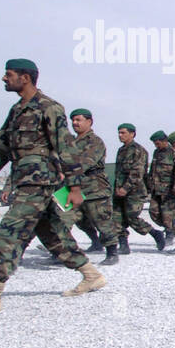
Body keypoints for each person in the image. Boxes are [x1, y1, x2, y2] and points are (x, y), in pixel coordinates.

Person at [0, 60, 106, 315]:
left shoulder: (49, 107)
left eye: (9, 74)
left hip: (40, 182)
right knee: (52, 232)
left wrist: (75, 188)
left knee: (8, 232)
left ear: (25, 78)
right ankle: (91, 274)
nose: (4, 78)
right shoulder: (16, 111)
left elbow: (65, 148)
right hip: (25, 180)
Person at [68, 108, 121, 266]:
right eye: (73, 120)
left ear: (89, 122)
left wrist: (65, 170)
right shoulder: (71, 142)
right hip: (72, 185)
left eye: (78, 120)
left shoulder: (95, 141)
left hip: (94, 186)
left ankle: (112, 252)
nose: (74, 123)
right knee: (59, 217)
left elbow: (85, 162)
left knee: (102, 220)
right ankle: (62, 252)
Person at [112, 123, 162, 253]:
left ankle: (156, 233)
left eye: (123, 133)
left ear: (132, 134)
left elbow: (137, 173)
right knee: (117, 218)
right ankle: (123, 245)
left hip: (134, 191)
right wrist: (118, 189)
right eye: (119, 133)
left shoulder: (139, 150)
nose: (120, 135)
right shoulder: (121, 150)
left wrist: (125, 188)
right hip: (119, 191)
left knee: (132, 217)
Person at [146, 130, 175, 252]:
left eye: (157, 143)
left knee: (168, 213)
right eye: (155, 144)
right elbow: (153, 169)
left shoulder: (173, 152)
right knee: (154, 212)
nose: (156, 146)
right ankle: (169, 229)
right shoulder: (156, 152)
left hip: (169, 189)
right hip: (156, 188)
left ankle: (169, 233)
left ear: (164, 141)